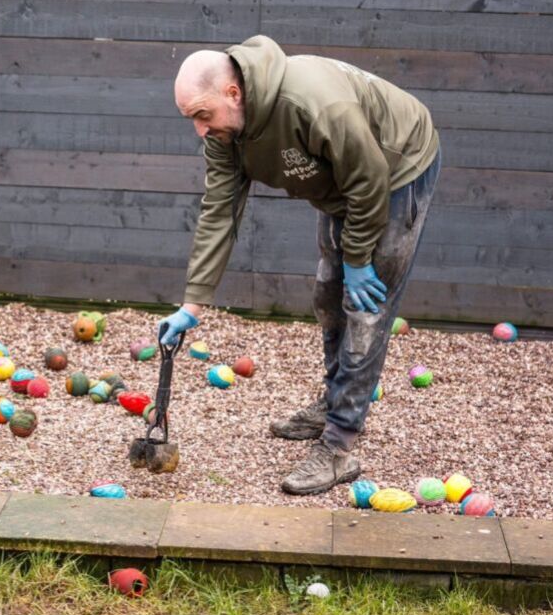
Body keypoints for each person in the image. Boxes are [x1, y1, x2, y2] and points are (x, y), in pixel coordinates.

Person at [157, 35, 441, 496]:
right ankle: (334, 402)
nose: (200, 131)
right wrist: (193, 304)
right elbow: (219, 210)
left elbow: (369, 179)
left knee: (364, 306)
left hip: (394, 168)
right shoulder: (225, 131)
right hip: (340, 182)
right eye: (191, 118)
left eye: (202, 116)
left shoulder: (313, 103)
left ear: (233, 94)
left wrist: (359, 260)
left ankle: (340, 444)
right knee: (327, 297)